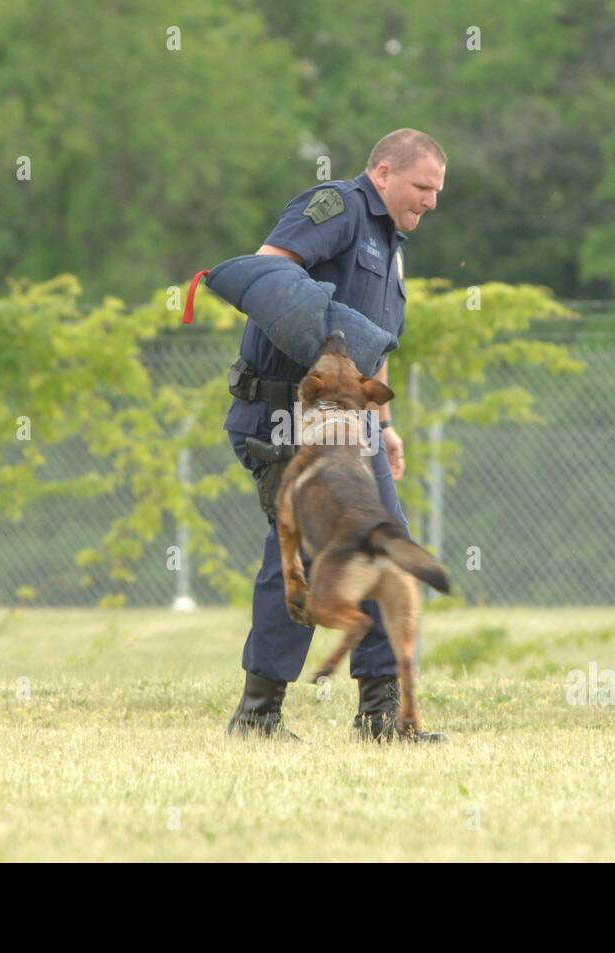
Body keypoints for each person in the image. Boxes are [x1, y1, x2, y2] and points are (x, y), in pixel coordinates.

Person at [224, 128, 447, 742]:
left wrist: (386, 425)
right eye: (421, 186)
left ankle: (380, 714)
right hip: (287, 418)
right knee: (296, 555)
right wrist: (323, 344)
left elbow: (374, 340)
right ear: (382, 173)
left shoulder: (389, 241)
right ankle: (258, 713)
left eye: (436, 192)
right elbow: (269, 273)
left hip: (354, 428)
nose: (430, 201)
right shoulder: (338, 208)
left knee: (381, 546)